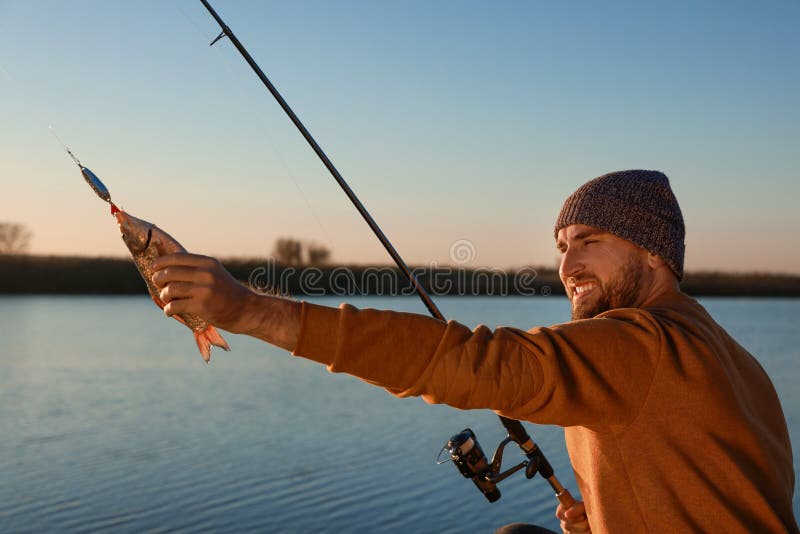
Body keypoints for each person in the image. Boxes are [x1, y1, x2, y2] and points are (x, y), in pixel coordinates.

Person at [151, 170, 797, 533]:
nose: (567, 264)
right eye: (560, 246)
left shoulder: (638, 343)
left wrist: (251, 310)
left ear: (653, 252)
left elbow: (467, 361)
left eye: (589, 240)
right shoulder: (734, 357)